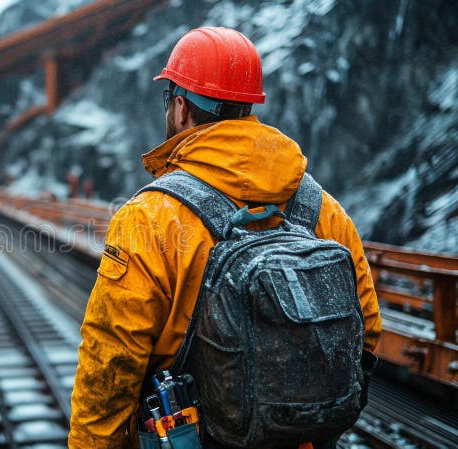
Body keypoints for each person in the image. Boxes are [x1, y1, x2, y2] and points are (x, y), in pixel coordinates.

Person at [68, 27, 382, 449]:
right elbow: (366, 332)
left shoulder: (150, 218)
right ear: (249, 107)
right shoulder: (321, 207)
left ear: (180, 108)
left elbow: (110, 369)